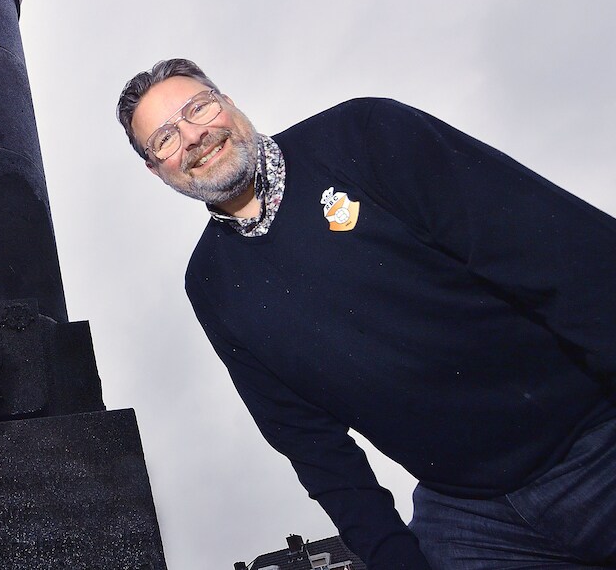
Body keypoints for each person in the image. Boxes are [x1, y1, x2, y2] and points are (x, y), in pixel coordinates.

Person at [116, 59, 616, 569]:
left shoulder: (363, 134)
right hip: (468, 513)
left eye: (198, 108)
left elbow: (565, 256)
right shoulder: (210, 285)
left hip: (593, 443)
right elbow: (310, 443)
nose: (193, 136)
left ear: (227, 102)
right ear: (156, 170)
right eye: (165, 139)